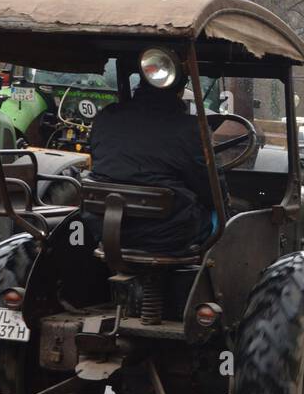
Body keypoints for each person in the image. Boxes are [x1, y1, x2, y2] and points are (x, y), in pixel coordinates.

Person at [87, 61, 228, 253]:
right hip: (169, 234)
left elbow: (101, 162)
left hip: (103, 227)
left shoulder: (106, 117)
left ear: (141, 82)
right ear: (179, 91)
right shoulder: (190, 129)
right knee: (220, 214)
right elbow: (212, 192)